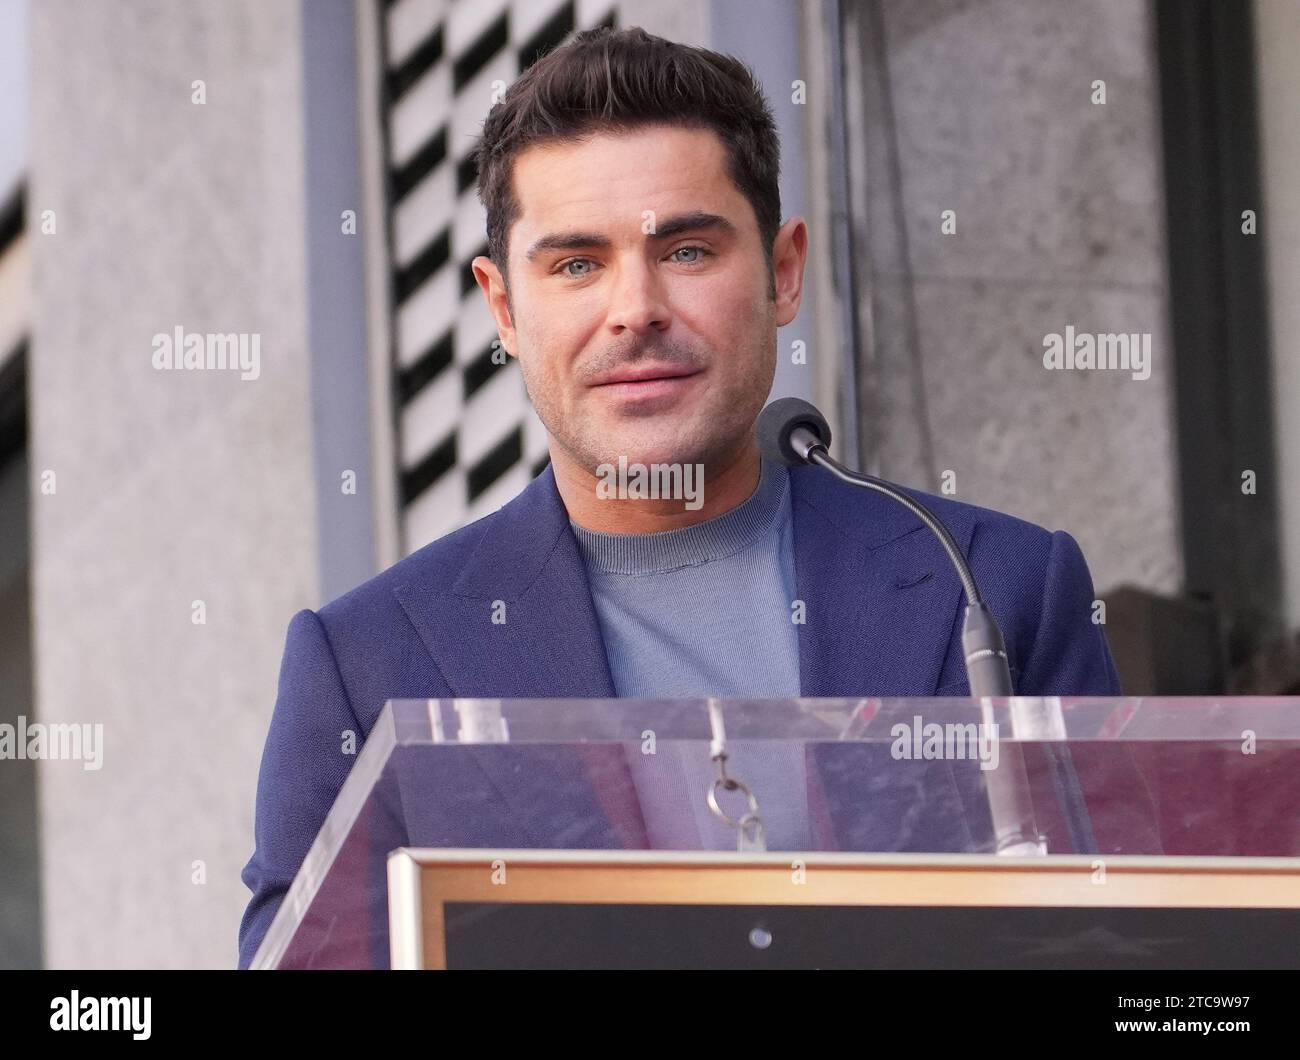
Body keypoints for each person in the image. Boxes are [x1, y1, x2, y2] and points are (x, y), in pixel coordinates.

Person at [237, 26, 1120, 968]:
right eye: (576, 264)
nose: (636, 308)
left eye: (688, 251)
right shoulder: (368, 667)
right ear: (502, 308)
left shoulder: (997, 589)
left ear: (783, 271)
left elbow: (1137, 956)